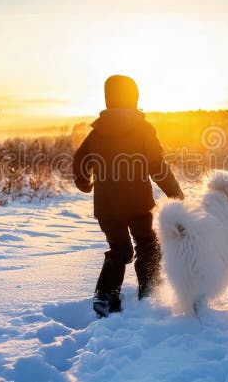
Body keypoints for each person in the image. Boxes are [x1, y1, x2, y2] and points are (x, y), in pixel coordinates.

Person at [73, 74, 184, 318]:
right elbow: (158, 166)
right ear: (134, 98)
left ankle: (105, 295)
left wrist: (84, 181)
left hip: (107, 208)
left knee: (119, 250)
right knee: (147, 244)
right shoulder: (143, 129)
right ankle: (149, 290)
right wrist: (176, 195)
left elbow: (80, 160)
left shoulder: (97, 132)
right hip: (137, 203)